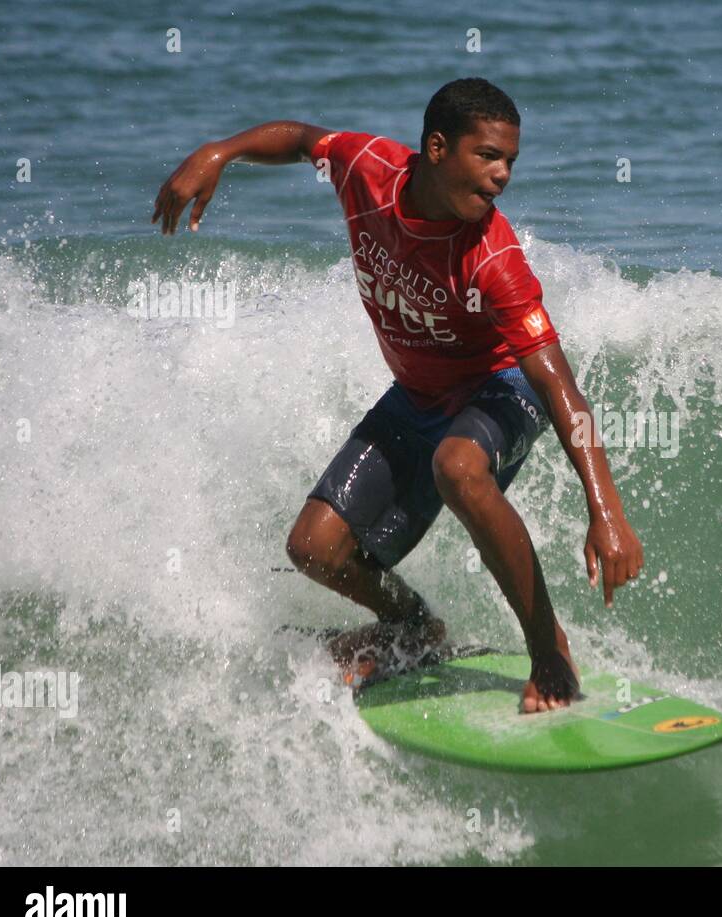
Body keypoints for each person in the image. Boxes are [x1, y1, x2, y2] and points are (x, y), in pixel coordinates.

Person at [152, 77, 644, 713]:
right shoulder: (367, 170)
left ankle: (550, 651)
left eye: (509, 161)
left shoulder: (493, 258)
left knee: (457, 467)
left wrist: (605, 509)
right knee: (314, 547)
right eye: (487, 156)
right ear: (437, 148)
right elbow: (301, 139)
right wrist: (220, 151)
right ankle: (413, 627)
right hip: (418, 395)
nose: (501, 176)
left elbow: (558, 383)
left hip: (502, 389)